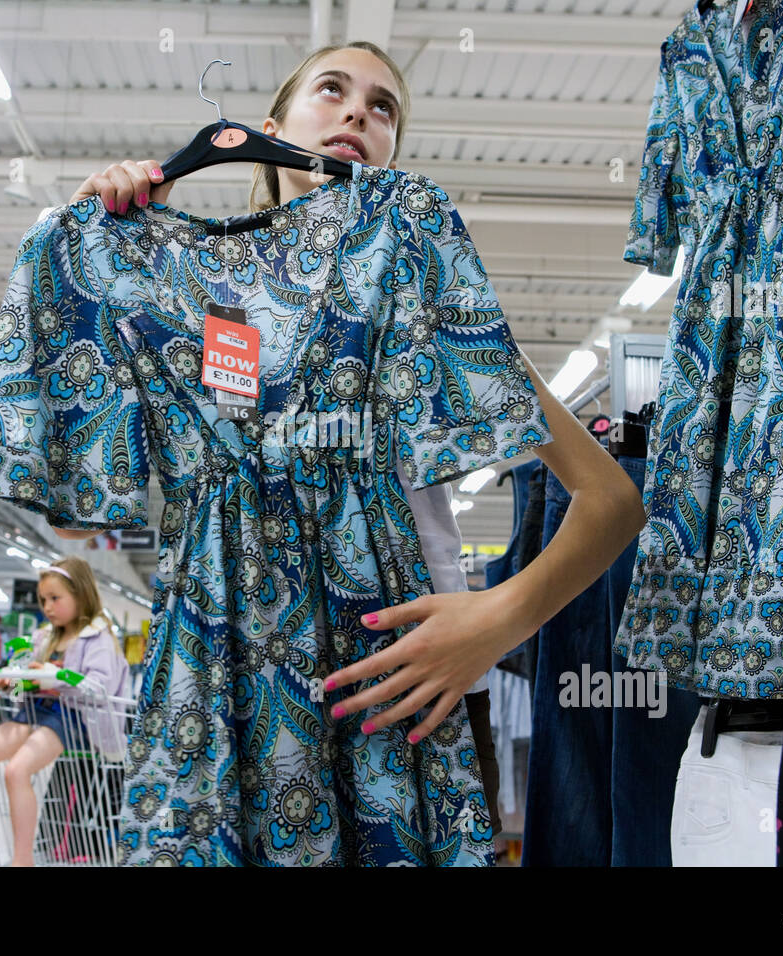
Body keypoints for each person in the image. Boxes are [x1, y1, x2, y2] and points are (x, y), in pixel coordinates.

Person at [60, 42, 646, 855]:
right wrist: (106, 223)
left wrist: (497, 621)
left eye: (383, 107)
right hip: (218, 684)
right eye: (332, 90)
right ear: (268, 128)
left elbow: (612, 501)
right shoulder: (172, 289)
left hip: (404, 692)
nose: (357, 114)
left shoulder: (422, 289)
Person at [0, 556, 130, 867]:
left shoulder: (98, 638)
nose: (47, 606)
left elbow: (98, 686)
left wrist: (53, 675)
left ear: (81, 594)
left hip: (73, 720)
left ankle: (23, 860)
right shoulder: (44, 636)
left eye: (55, 598)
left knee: (16, 771)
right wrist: (10, 681)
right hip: (34, 713)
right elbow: (23, 673)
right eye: (43, 599)